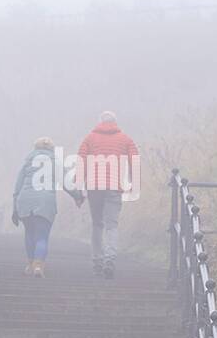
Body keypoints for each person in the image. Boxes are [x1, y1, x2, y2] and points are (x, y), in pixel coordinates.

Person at [77, 111, 140, 279]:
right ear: (115, 122)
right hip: (113, 186)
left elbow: (81, 160)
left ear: (100, 122)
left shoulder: (90, 138)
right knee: (111, 225)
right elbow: (135, 159)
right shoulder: (125, 139)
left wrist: (79, 186)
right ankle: (109, 259)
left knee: (97, 224)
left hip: (94, 187)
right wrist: (134, 182)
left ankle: (97, 261)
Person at [12, 136, 83, 276]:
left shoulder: (27, 161)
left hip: (25, 201)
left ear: (35, 148)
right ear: (52, 149)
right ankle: (38, 266)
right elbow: (67, 183)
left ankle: (30, 264)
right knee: (42, 236)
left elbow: (17, 186)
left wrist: (15, 209)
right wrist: (78, 196)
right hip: (45, 203)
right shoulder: (56, 162)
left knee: (29, 233)